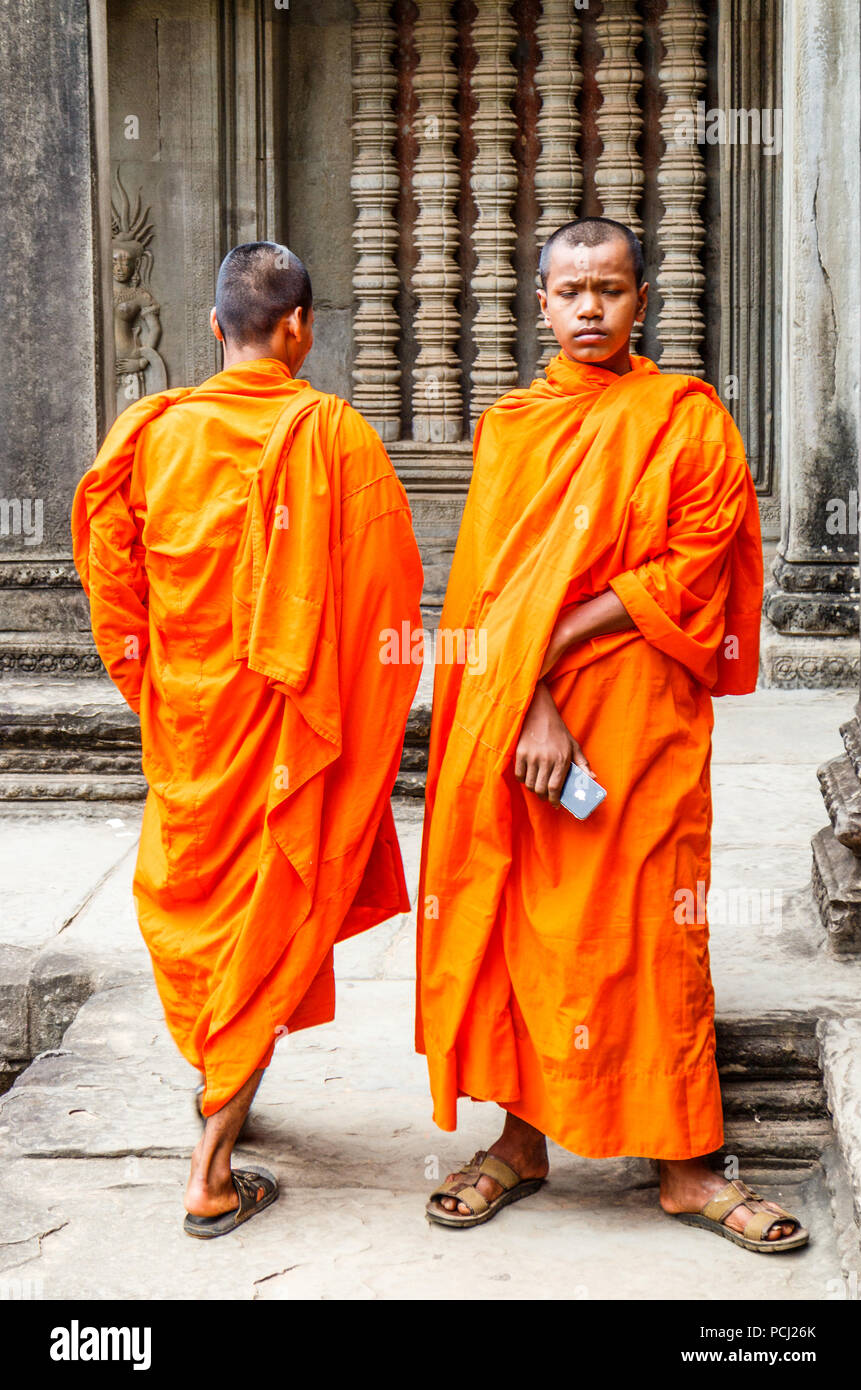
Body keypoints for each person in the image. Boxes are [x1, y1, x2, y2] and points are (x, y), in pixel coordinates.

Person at [416, 216, 808, 1253]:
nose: (589, 308)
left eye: (610, 290)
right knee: (522, 925)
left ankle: (683, 1162)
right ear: (539, 303)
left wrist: (541, 653)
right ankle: (519, 1138)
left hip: (639, 720)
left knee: (647, 930)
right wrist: (529, 699)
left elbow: (687, 571)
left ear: (643, 302)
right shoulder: (512, 427)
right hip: (528, 725)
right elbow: (486, 597)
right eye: (570, 291)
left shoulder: (684, 418)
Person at [72, 242, 424, 1238]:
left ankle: (222, 1088)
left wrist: (159, 688)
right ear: (301, 329)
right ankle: (211, 1175)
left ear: (214, 328)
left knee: (217, 922)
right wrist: (344, 711)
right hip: (283, 737)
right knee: (266, 921)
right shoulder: (337, 437)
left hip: (192, 729)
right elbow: (388, 597)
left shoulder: (152, 432)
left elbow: (111, 584)